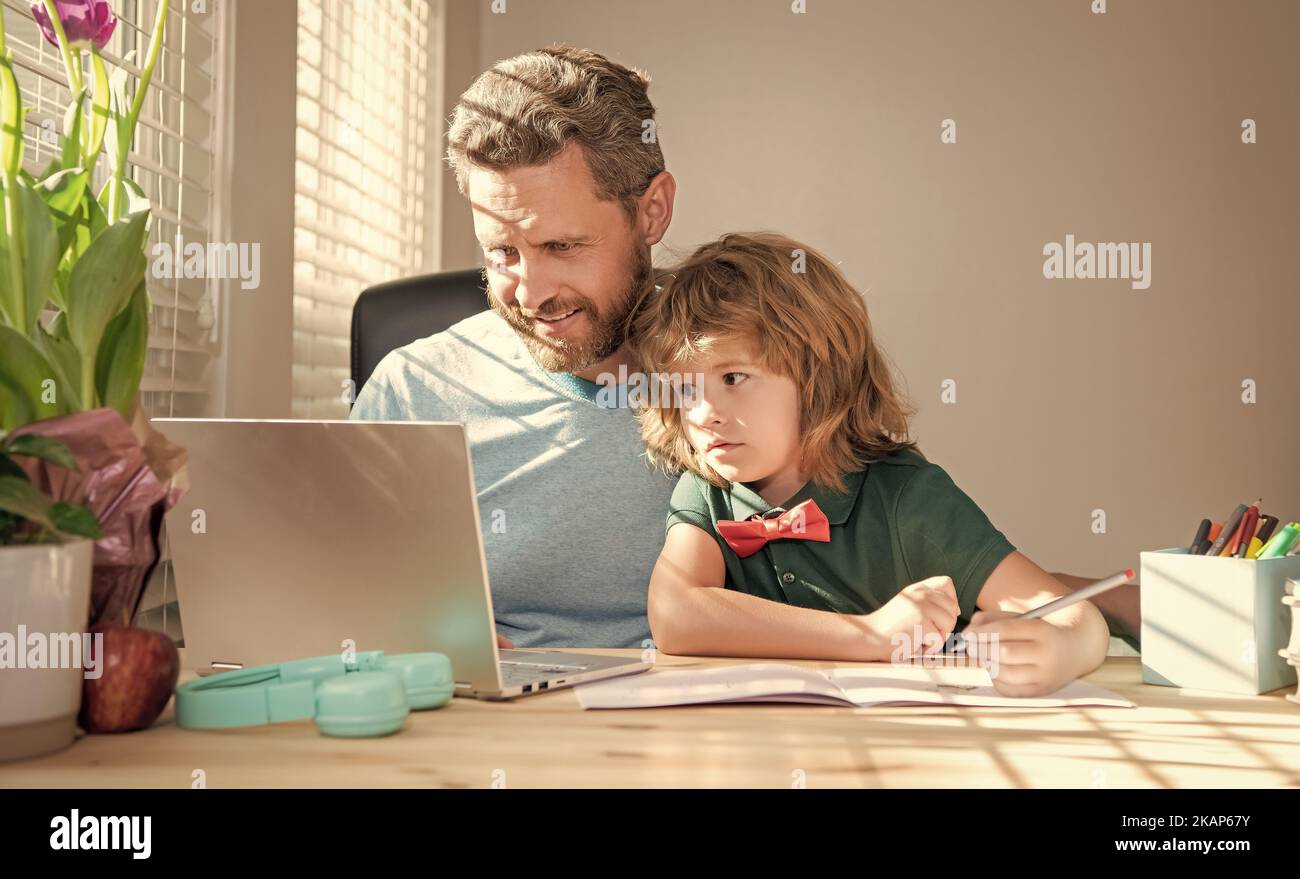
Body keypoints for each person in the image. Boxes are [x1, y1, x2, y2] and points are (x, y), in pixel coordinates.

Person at [632, 232, 1115, 696]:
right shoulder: (706, 488)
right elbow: (675, 615)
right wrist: (870, 634)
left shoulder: (910, 497)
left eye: (733, 377)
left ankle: (1128, 605)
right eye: (685, 388)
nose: (703, 414)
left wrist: (1062, 650)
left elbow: (1077, 621)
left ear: (817, 378)